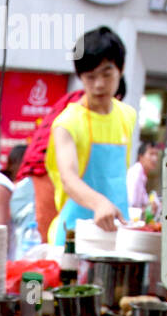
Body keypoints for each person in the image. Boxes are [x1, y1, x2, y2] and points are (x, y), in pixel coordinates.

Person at [45, 26, 137, 242]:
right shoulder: (67, 123)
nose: (99, 85)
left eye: (107, 74)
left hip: (115, 232)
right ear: (80, 77)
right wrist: (99, 203)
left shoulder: (128, 116)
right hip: (73, 235)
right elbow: (68, 179)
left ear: (121, 69)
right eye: (90, 77)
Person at [17, 88, 84, 242]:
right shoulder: (84, 105)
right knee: (46, 241)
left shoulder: (73, 99)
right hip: (44, 171)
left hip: (37, 170)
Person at [127, 138, 162, 214]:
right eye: (151, 154)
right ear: (141, 157)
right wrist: (147, 208)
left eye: (156, 154)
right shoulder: (135, 173)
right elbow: (130, 204)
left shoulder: (142, 175)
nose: (154, 158)